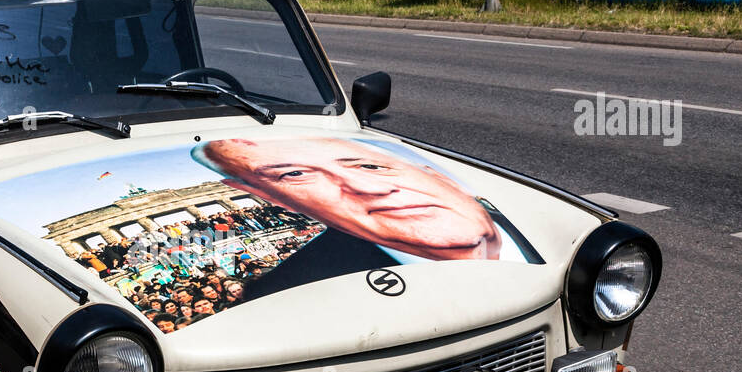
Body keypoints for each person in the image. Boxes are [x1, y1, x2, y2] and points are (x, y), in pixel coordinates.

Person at [193, 136, 541, 300]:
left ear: (436, 174)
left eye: (371, 165)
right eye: (295, 174)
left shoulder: (543, 225)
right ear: (274, 199)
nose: (366, 187)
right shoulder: (280, 293)